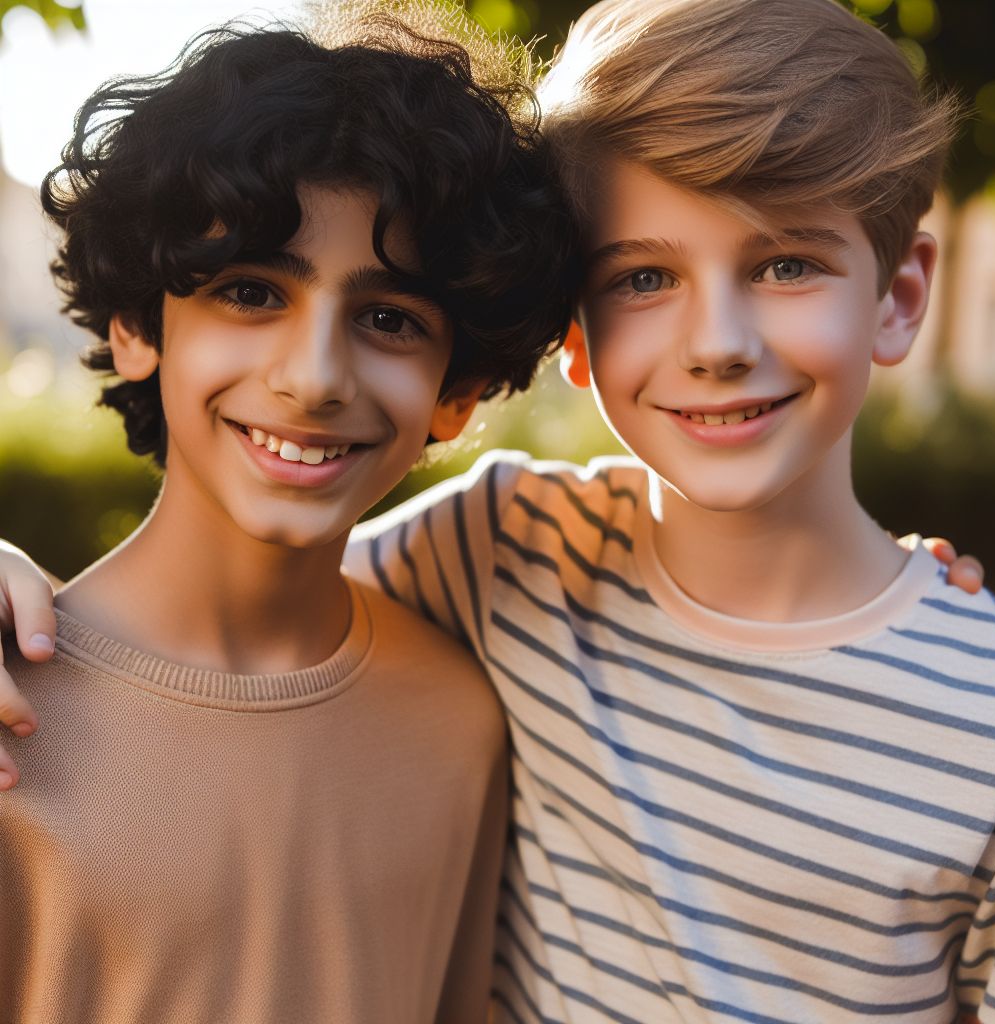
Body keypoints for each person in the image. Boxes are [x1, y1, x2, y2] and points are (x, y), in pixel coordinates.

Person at [0, 0, 995, 1020]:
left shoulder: (478, 631)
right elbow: (197, 638)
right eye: (646, 277)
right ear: (574, 332)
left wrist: (954, 628)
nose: (312, 379)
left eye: (785, 265)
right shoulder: (497, 550)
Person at [0, 7, 576, 1022]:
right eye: (251, 291)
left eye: (389, 319)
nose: (313, 378)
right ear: (139, 322)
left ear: (457, 390)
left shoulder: (461, 724)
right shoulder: (13, 726)